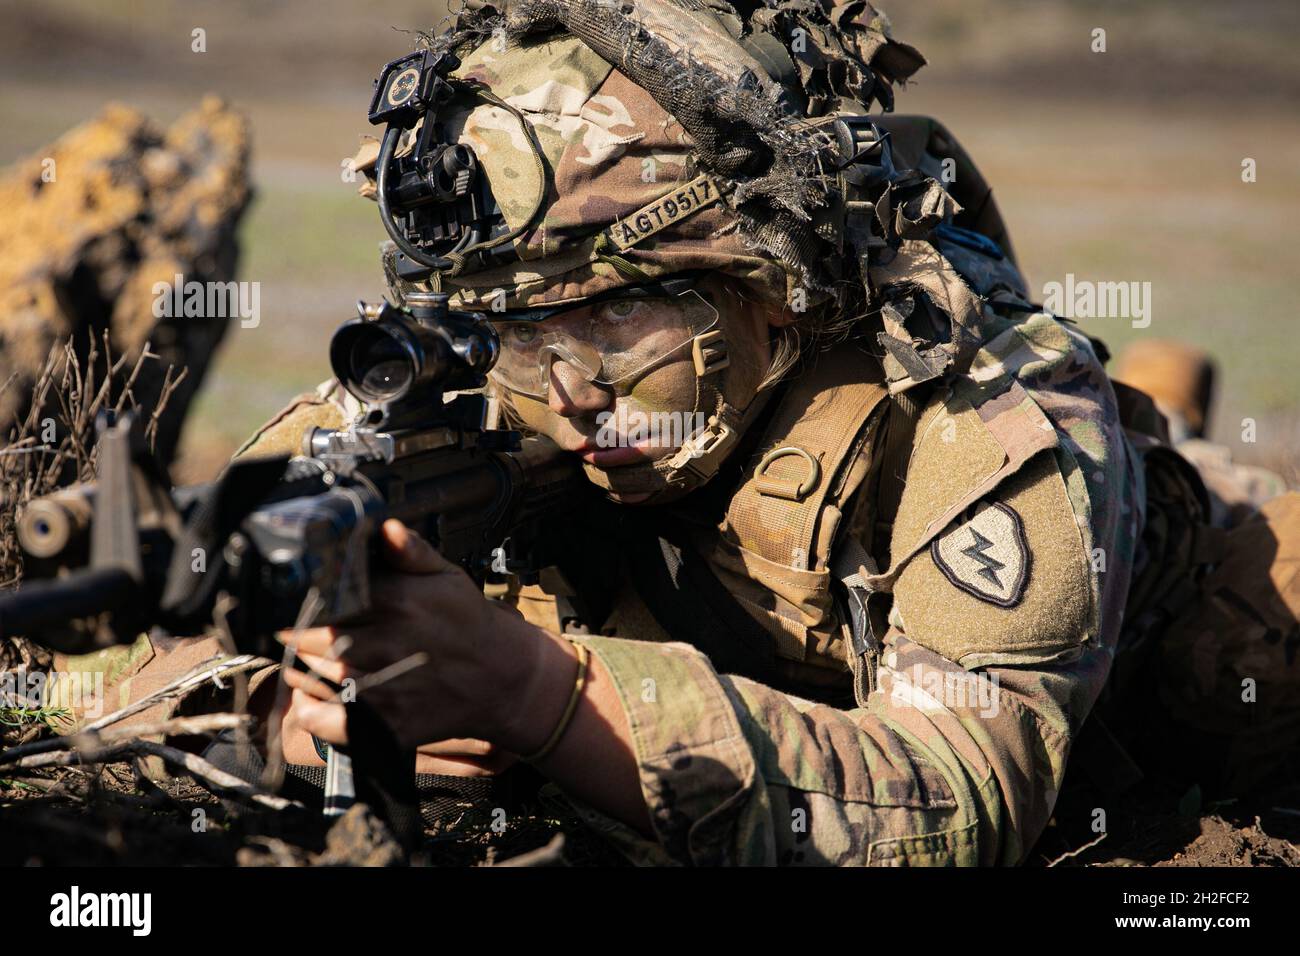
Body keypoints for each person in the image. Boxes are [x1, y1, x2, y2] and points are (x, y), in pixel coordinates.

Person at [46, 0, 1300, 864]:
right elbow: (104, 668)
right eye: (516, 330)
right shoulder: (450, 396)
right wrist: (278, 708)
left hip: (1152, 621)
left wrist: (546, 694)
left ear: (773, 281)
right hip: (748, 663)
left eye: (615, 323)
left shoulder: (973, 400)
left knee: (1251, 652)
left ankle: (1165, 417)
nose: (566, 389)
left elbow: (970, 800)